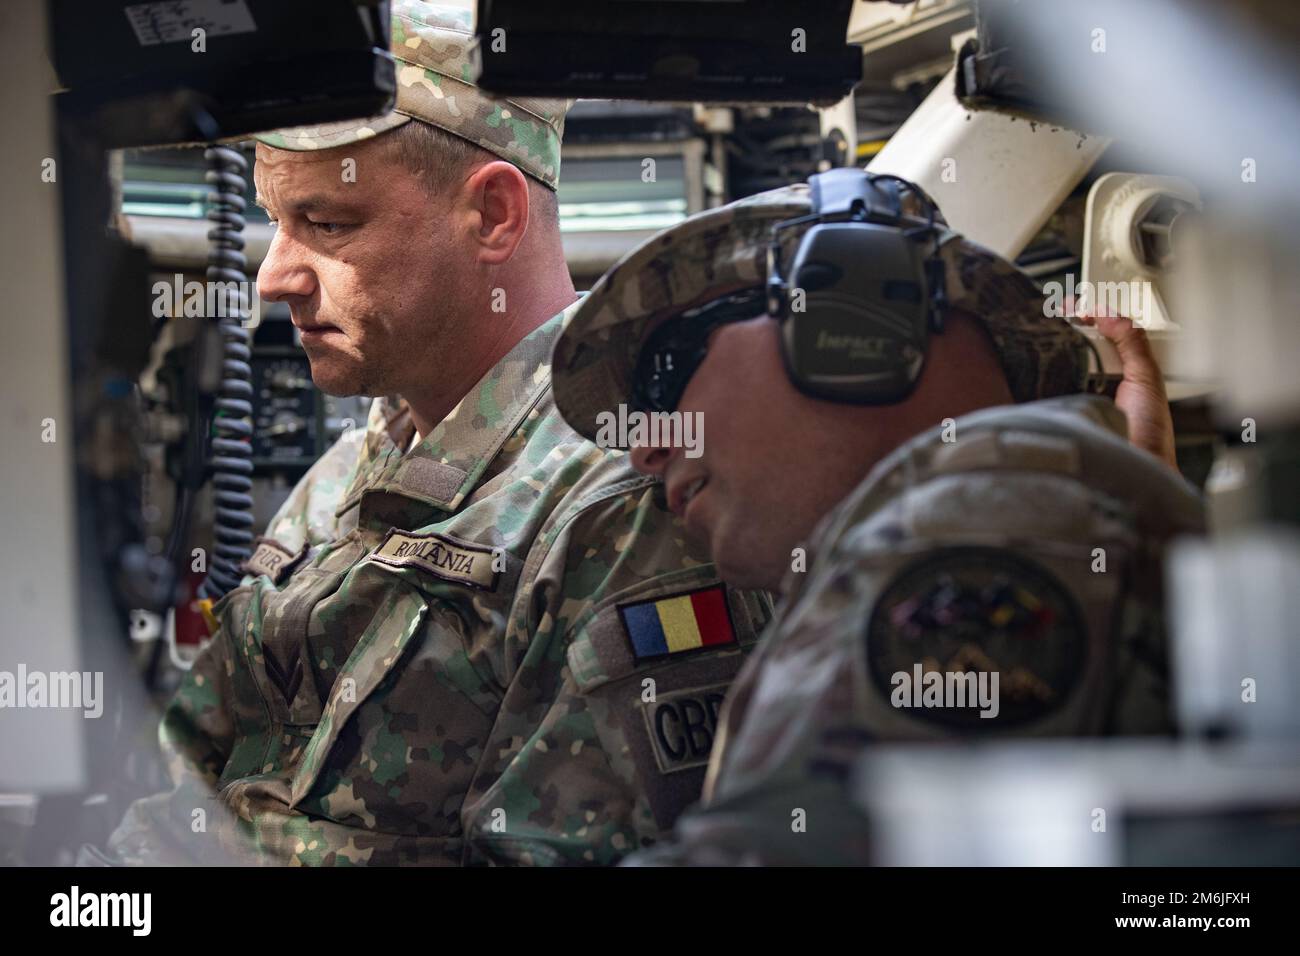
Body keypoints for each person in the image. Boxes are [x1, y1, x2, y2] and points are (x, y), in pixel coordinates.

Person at [88, 1, 770, 867]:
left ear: (491, 216)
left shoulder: (626, 506)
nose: (273, 277)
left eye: (328, 224)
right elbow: (173, 800)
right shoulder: (343, 478)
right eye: (273, 221)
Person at [549, 169, 1206, 864]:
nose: (646, 449)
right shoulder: (1036, 517)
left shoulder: (992, 525)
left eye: (662, 377)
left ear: (850, 323)